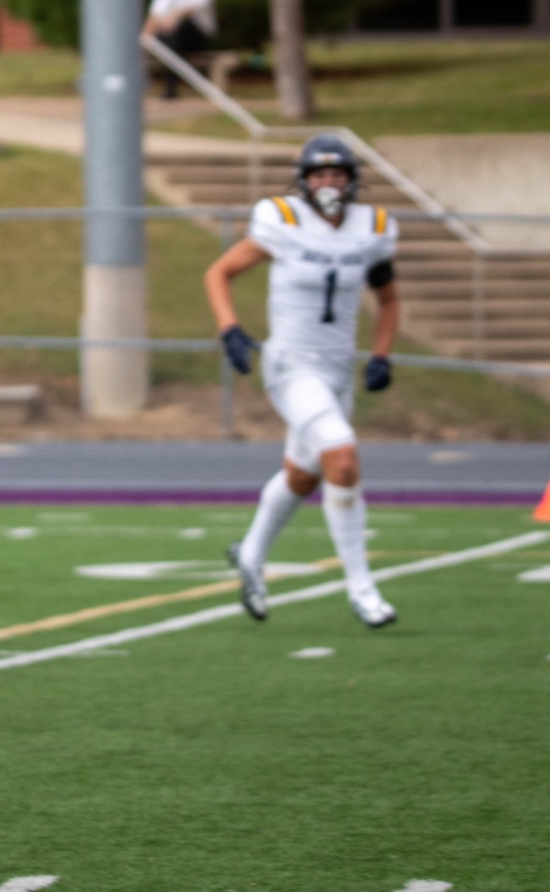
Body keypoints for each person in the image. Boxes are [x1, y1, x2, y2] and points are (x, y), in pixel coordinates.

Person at [206, 134, 401, 629]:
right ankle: (362, 588)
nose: (329, 183)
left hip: (337, 370)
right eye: (320, 174)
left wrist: (381, 354)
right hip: (292, 365)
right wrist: (229, 328)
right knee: (344, 459)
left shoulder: (372, 227)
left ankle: (250, 555)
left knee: (303, 476)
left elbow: (390, 298)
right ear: (304, 181)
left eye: (337, 174)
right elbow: (220, 272)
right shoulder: (283, 219)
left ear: (352, 180)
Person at [141, 0, 216, 98]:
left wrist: (173, 17)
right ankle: (163, 86)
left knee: (175, 29)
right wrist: (143, 40)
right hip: (171, 38)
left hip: (198, 37)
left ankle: (170, 86)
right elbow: (154, 18)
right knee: (166, 36)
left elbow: (191, 10)